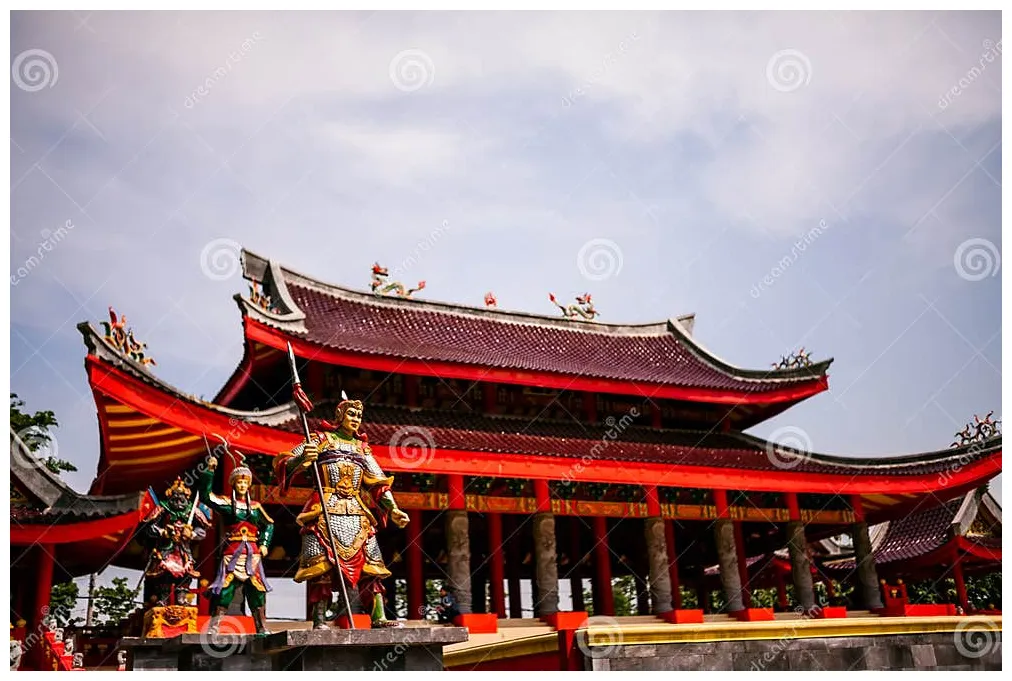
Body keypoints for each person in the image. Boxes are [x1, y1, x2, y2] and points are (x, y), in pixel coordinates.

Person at [274, 396, 410, 628]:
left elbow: (378, 484)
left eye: (358, 416)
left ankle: (378, 617)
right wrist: (302, 458)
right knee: (321, 568)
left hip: (358, 513)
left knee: (372, 566)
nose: (356, 419)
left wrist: (394, 509)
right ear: (339, 416)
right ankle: (319, 619)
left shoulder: (362, 448)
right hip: (323, 509)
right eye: (351, 414)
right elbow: (284, 463)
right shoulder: (320, 439)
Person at [199, 451, 275, 634]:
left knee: (257, 590)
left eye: (245, 482)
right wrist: (210, 471)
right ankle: (215, 626)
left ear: (249, 485)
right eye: (239, 482)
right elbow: (206, 496)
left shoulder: (256, 507)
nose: (242, 485)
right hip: (232, 551)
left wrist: (264, 543)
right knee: (225, 589)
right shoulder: (226, 503)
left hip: (253, 552)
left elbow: (269, 525)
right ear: (234, 484)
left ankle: (261, 627)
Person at [141, 478, 211, 607]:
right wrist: (163, 532)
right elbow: (150, 527)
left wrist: (192, 534)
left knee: (186, 572)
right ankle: (163, 598)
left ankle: (182, 598)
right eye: (176, 498)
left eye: (181, 498)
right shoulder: (163, 508)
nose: (178, 501)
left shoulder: (192, 510)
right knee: (164, 571)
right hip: (167, 546)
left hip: (183, 548)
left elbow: (203, 531)